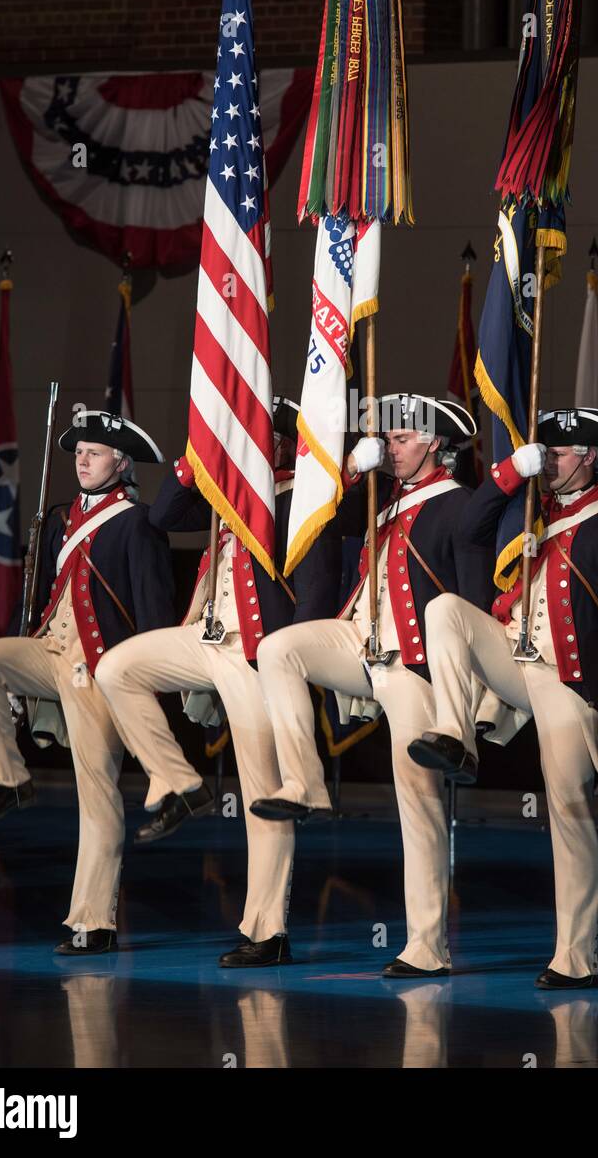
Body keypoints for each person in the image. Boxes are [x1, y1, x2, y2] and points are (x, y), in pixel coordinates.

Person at [94, 397, 341, 969]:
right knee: (118, 668)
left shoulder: (300, 501)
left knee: (263, 795)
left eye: (262, 437)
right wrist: (195, 456)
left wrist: (294, 675)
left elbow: (319, 595)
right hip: (206, 639)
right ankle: (180, 782)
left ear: (282, 444)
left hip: (258, 658)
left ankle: (267, 929)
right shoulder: (227, 493)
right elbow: (163, 517)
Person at [251, 394, 494, 977]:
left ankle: (427, 946)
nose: (392, 448)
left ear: (435, 444)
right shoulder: (379, 500)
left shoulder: (459, 506)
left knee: (418, 800)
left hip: (415, 668)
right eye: (388, 439)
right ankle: (305, 784)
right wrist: (353, 468)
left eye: (404, 439)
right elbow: (315, 521)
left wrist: (467, 696)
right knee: (277, 647)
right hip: (361, 644)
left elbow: (473, 605)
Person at [410, 407, 598, 989]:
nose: (552, 463)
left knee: (567, 811)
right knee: (444, 610)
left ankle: (575, 957)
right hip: (518, 667)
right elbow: (467, 529)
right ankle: (455, 734)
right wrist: (511, 473)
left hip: (571, 684)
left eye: (560, 455)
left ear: (589, 457)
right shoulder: (532, 511)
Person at [0, 411, 175, 955]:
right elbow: (34, 600)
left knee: (96, 791)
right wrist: (13, 680)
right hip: (50, 652)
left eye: (95, 452)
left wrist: (144, 688)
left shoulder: (138, 522)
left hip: (99, 668)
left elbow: (154, 612)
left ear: (121, 463)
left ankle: (93, 921)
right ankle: (7, 775)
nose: (82, 459)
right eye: (78, 451)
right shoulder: (57, 518)